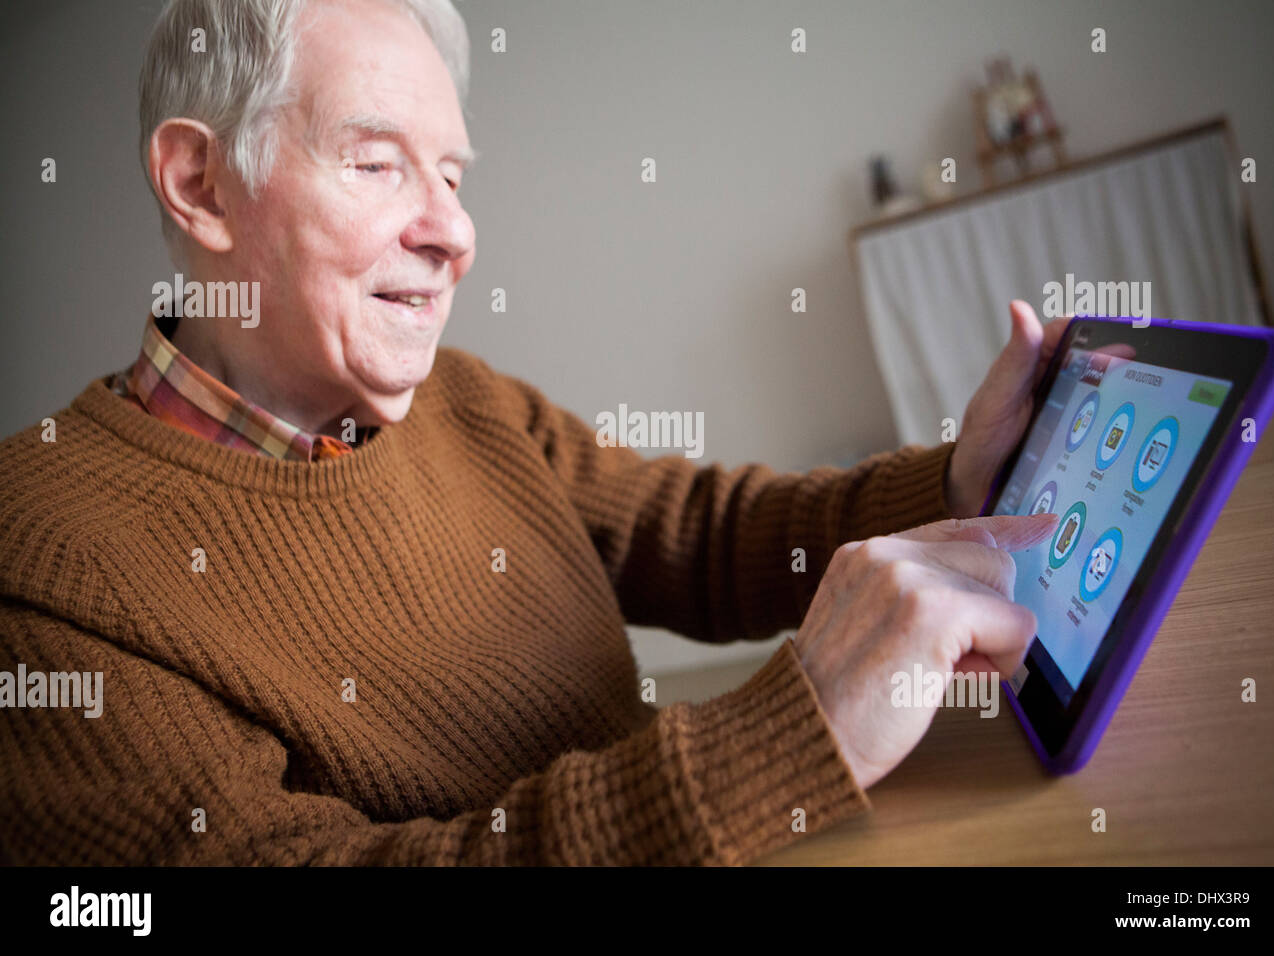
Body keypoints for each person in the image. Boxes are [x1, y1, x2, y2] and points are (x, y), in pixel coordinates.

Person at [0, 0, 1064, 865]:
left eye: (453, 176)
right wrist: (794, 732)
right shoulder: (42, 559)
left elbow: (699, 531)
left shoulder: (465, 400)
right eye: (376, 163)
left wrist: (954, 479)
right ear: (201, 185)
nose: (454, 231)